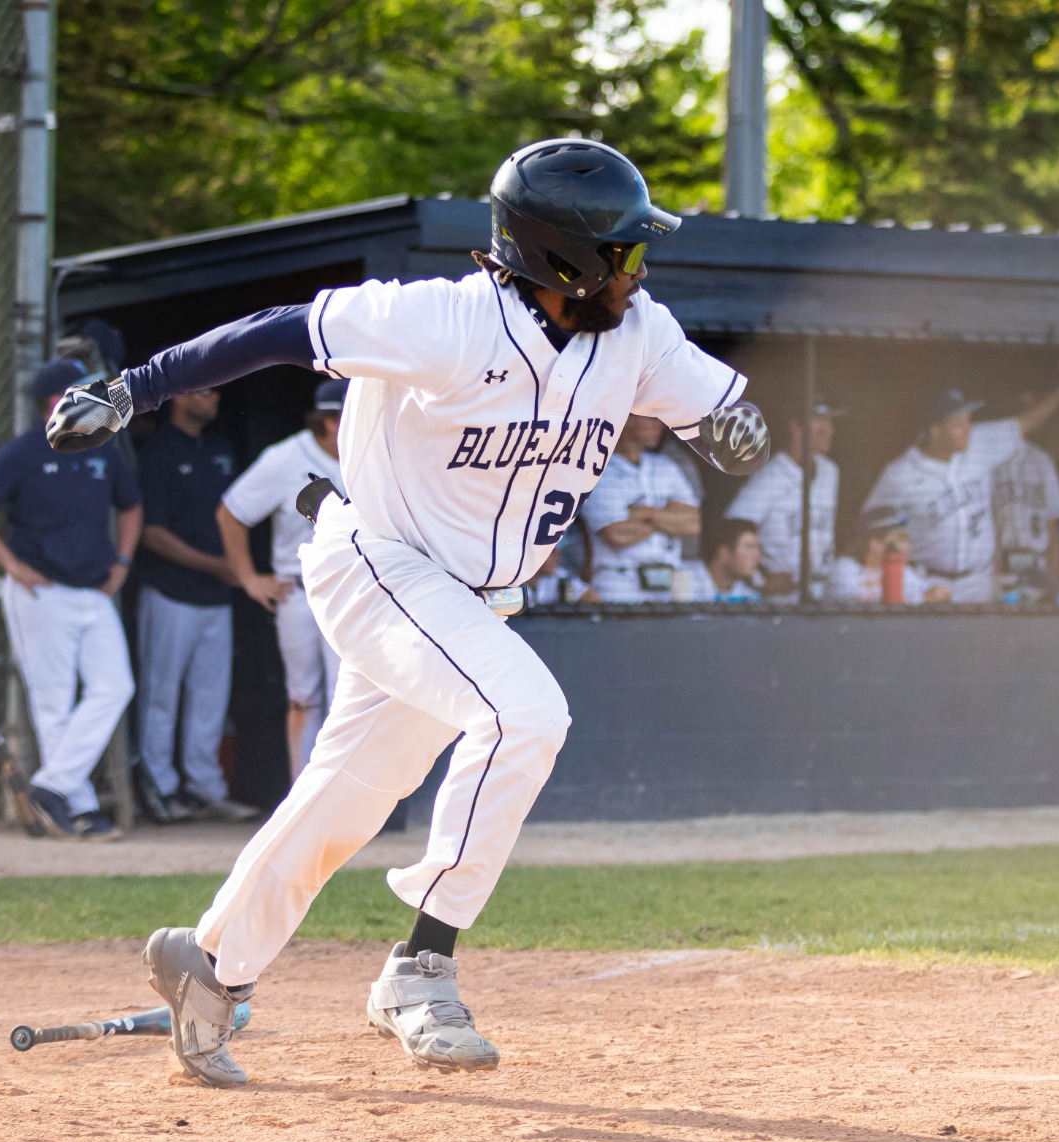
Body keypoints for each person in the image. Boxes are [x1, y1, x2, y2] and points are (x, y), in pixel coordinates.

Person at [45, 137, 767, 1088]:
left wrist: (732, 430)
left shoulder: (637, 332)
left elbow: (719, 417)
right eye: (623, 250)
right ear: (565, 261)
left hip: (471, 604)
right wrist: (134, 388)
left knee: (347, 794)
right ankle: (422, 964)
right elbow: (278, 330)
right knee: (526, 715)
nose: (640, 265)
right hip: (379, 563)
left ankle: (210, 964)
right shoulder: (447, 321)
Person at [0, 359, 142, 841]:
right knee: (53, 701)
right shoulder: (26, 450)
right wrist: (10, 565)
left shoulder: (103, 445)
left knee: (115, 686)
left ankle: (53, 788)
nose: (88, 400)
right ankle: (78, 809)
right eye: (77, 393)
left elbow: (131, 505)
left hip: (94, 588)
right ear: (53, 403)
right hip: (40, 590)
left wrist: (121, 562)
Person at [132, 385, 258, 824]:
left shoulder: (222, 450)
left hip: (217, 596)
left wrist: (232, 568)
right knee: (160, 695)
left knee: (210, 697)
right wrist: (216, 565)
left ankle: (205, 788)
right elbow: (152, 533)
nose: (217, 398)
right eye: (206, 392)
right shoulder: (159, 452)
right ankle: (160, 788)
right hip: (170, 591)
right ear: (182, 398)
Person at [216, 379, 350, 777]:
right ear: (329, 421)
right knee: (303, 697)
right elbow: (231, 511)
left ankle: (338, 798)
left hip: (355, 591)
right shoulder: (287, 457)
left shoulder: (376, 453)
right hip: (300, 591)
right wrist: (249, 578)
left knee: (345, 700)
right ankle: (301, 794)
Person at [862, 386, 1059, 604]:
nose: (968, 429)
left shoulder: (979, 444)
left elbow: (1027, 422)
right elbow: (868, 529)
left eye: (968, 421)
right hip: (928, 583)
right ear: (935, 431)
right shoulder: (899, 474)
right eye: (958, 425)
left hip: (980, 582)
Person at [726, 399, 841, 600]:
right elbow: (732, 528)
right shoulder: (770, 477)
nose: (829, 429)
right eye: (820, 421)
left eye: (830, 422)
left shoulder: (830, 472)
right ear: (796, 427)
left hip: (823, 589)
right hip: (783, 595)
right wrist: (759, 578)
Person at [580, 414, 699, 602]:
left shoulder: (666, 467)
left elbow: (692, 523)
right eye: (651, 418)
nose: (660, 424)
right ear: (626, 419)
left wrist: (645, 514)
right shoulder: (595, 470)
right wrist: (666, 516)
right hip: (619, 581)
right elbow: (616, 533)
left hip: (668, 580)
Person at [991, 389, 1059, 598]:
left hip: (1037, 563)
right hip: (999, 567)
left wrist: (1053, 576)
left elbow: (1052, 524)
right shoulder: (987, 461)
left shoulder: (1041, 460)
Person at [826, 505, 951, 605]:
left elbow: (925, 588)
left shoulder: (903, 571)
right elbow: (863, 605)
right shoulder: (844, 569)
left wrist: (937, 592)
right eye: (901, 539)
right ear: (875, 543)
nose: (908, 548)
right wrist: (919, 600)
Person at [678, 518, 763, 602]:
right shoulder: (683, 577)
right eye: (749, 547)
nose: (757, 556)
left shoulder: (748, 595)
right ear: (723, 552)